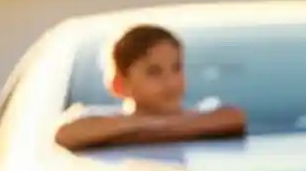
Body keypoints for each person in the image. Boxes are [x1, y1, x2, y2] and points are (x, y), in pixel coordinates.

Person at [54, 24, 247, 151]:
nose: (171, 82)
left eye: (177, 68)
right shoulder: (99, 122)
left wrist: (143, 129)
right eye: (154, 72)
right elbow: (66, 132)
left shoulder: (207, 112)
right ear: (120, 85)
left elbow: (233, 117)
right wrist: (151, 124)